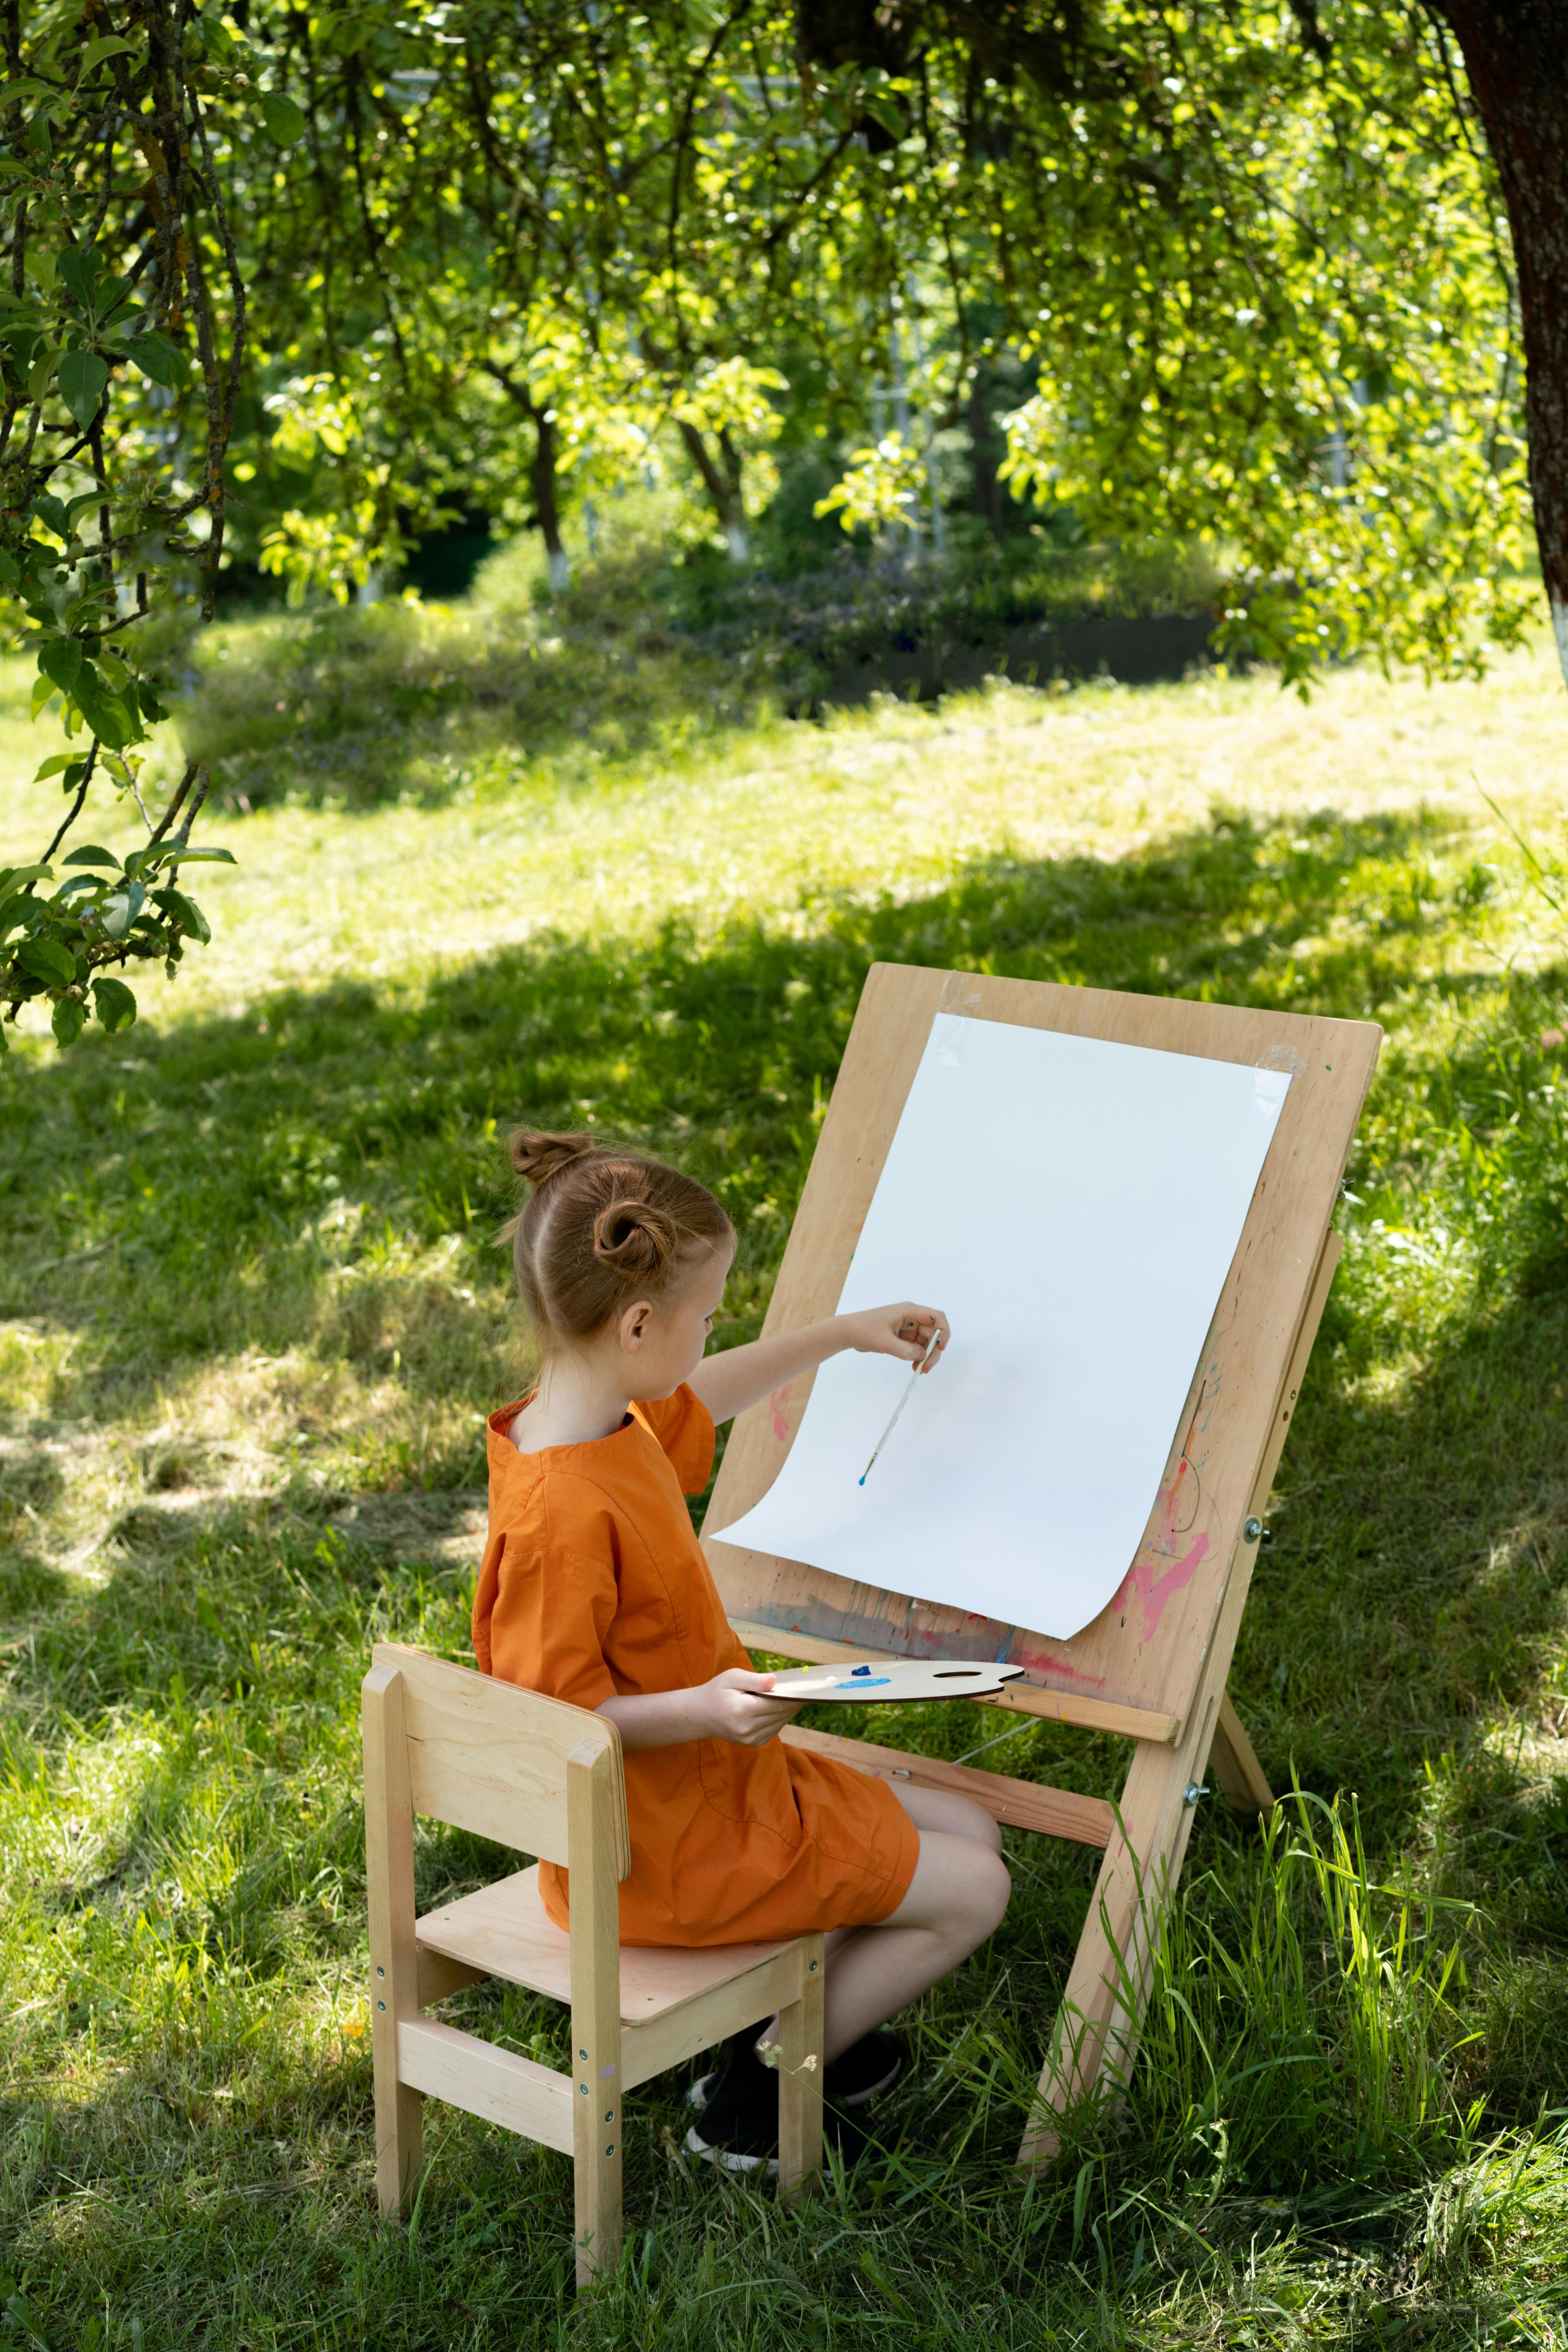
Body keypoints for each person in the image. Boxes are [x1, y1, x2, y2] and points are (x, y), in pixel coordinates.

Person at [472, 1129, 1011, 2172]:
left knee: (972, 1828)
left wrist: (844, 1333)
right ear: (636, 1323)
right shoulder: (560, 1513)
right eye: (707, 1315)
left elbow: (694, 1399)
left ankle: (818, 2043)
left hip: (710, 1797)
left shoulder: (594, 1423)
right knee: (978, 1890)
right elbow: (551, 1727)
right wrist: (708, 1711)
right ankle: (752, 2102)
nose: (713, 1333)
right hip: (661, 1856)